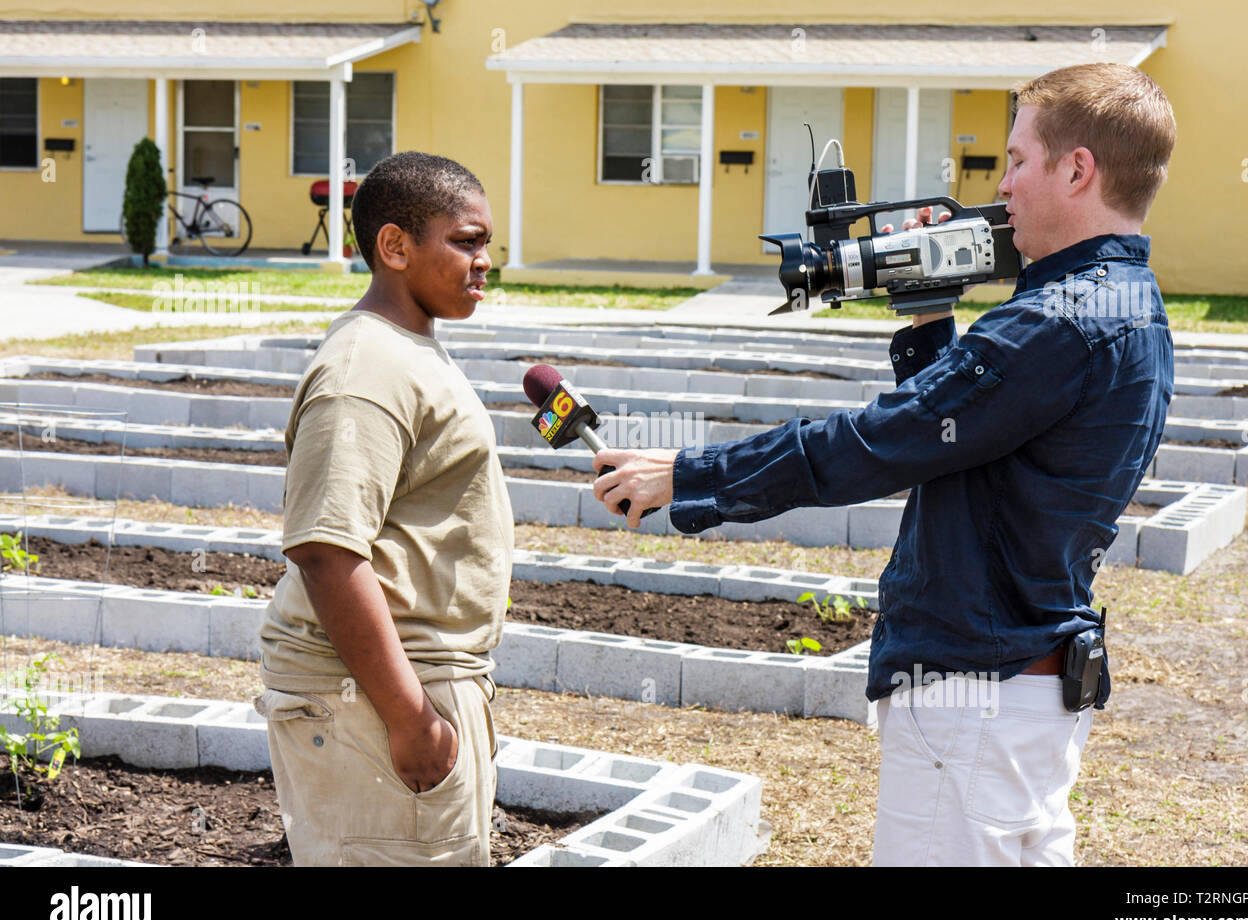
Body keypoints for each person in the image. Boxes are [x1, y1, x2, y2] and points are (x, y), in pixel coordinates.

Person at [591, 63, 1177, 866]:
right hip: (1026, 687)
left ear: (1077, 170)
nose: (1000, 186)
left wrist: (691, 476)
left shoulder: (1054, 323)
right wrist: (934, 314)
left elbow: (878, 442)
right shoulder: (1125, 303)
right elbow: (961, 437)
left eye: (1015, 160)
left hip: (976, 696)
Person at [255, 152, 512, 866]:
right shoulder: (364, 370)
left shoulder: (405, 348)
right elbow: (325, 552)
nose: (485, 260)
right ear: (394, 247)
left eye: (488, 243)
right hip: (373, 702)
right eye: (466, 241)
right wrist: (410, 718)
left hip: (412, 684)